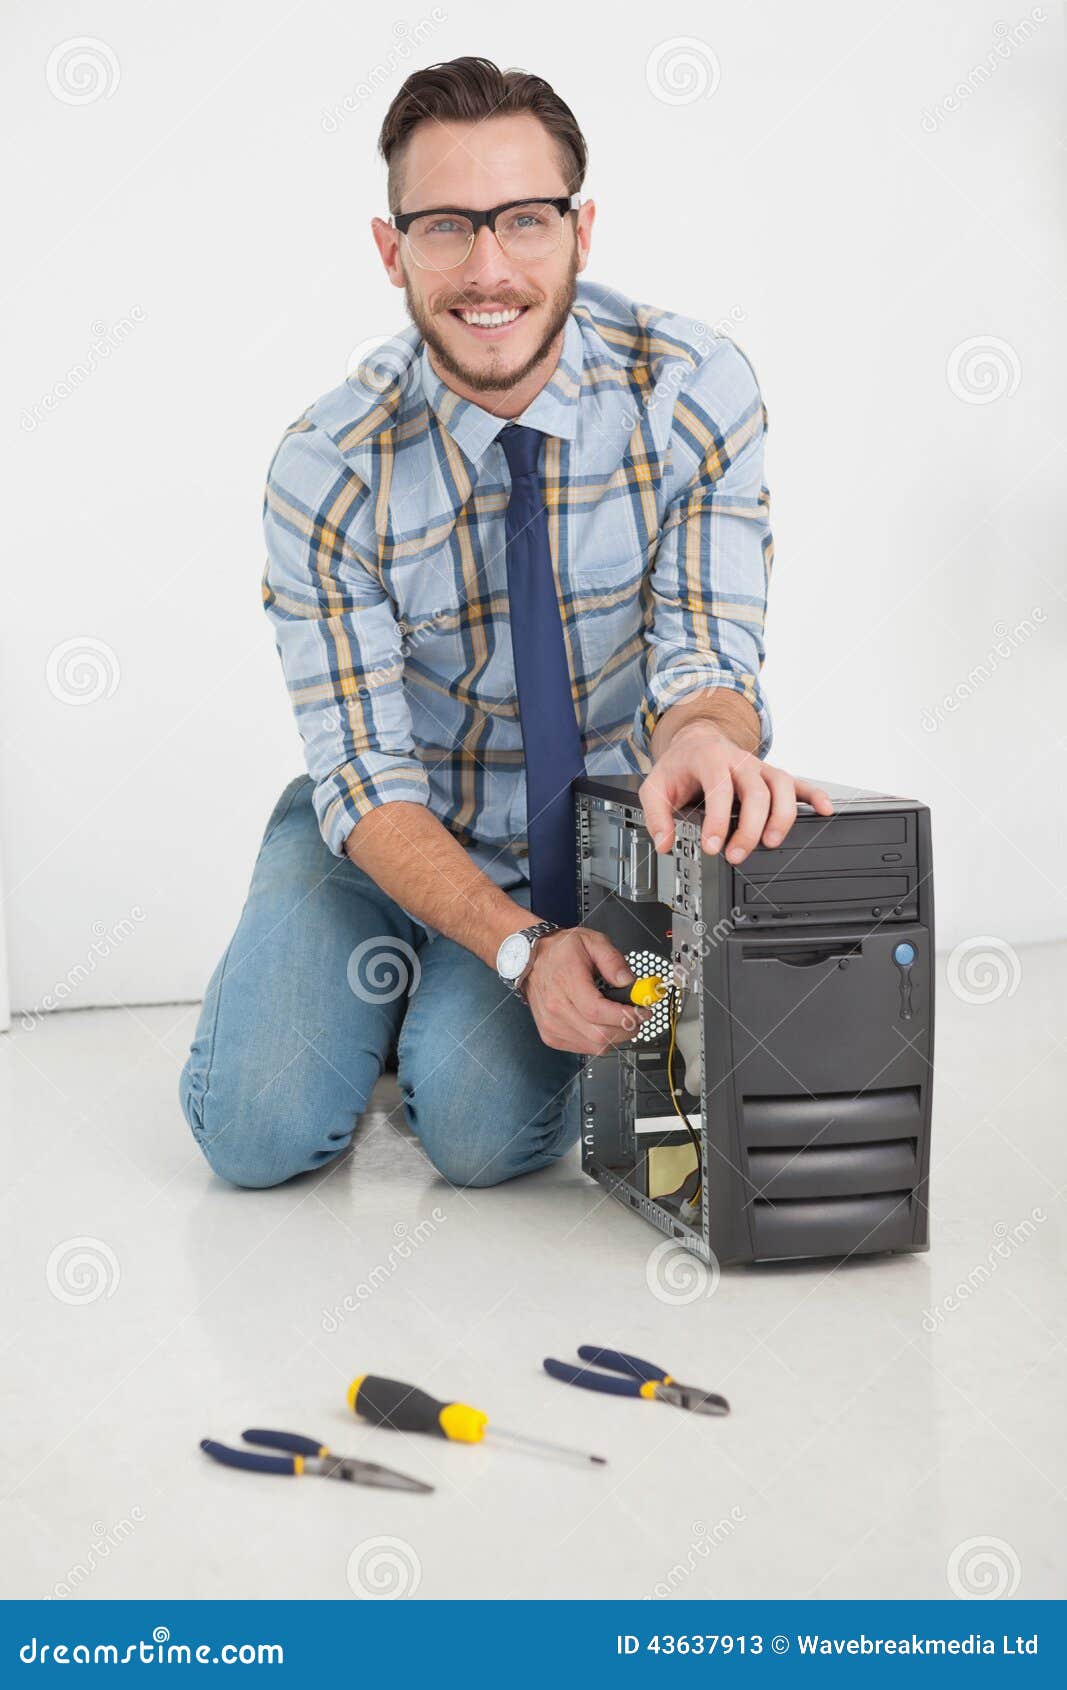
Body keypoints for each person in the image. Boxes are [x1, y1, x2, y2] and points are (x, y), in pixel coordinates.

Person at [179, 55, 832, 1191]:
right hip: (387, 823)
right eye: (443, 227)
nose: (488, 270)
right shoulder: (327, 466)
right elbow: (366, 777)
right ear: (391, 251)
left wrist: (701, 740)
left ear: (581, 230)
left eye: (524, 220)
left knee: (480, 1141)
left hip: (578, 844)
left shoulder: (691, 389)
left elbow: (704, 660)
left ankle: (428, 1006)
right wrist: (514, 946)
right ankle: (385, 985)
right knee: (256, 1135)